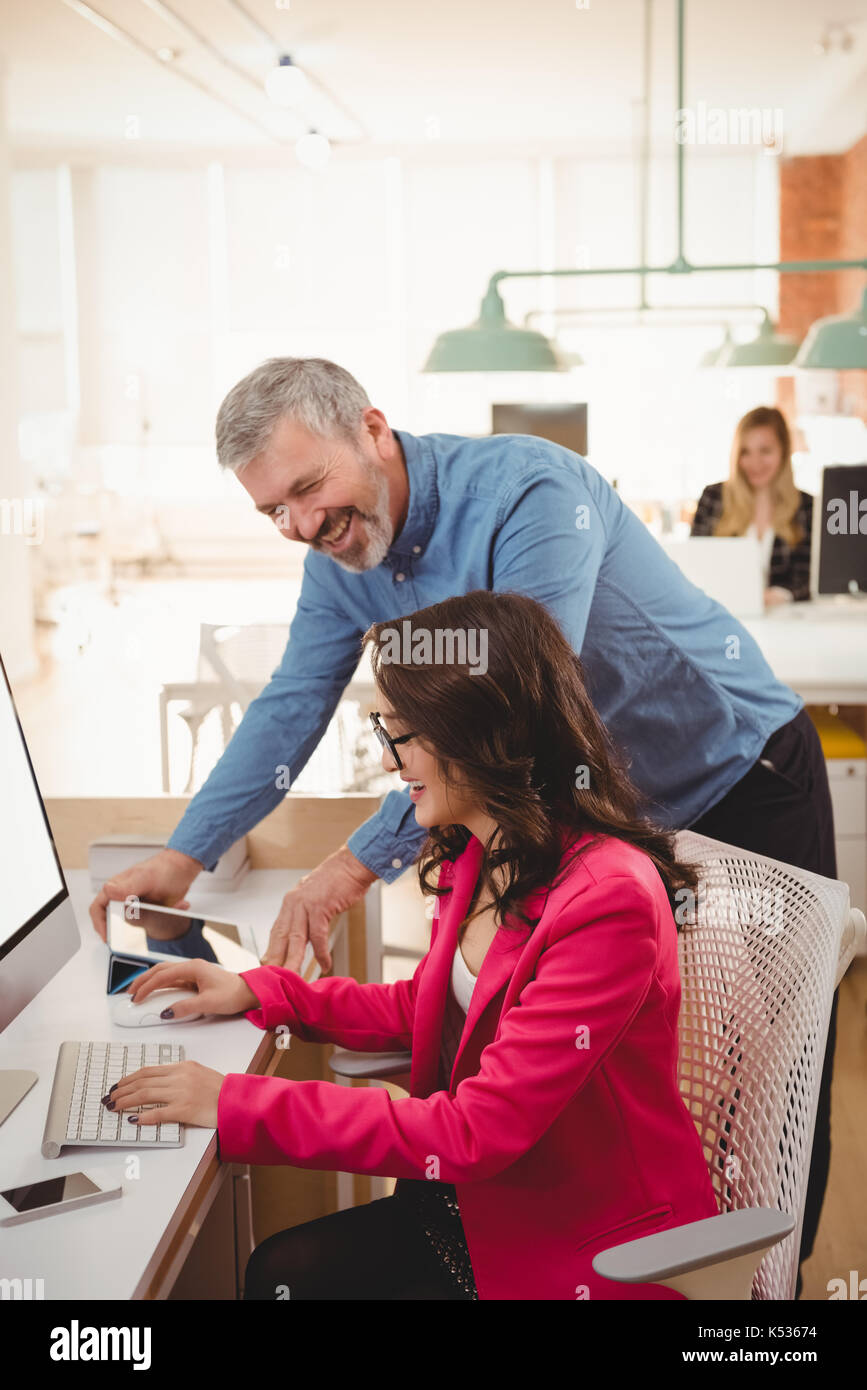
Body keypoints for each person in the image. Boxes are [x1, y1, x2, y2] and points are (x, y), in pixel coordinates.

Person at [87, 356, 836, 1292]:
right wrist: (184, 855)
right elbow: (290, 707)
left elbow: (516, 711)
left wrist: (351, 868)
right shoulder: (348, 569)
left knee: (765, 1095)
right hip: (581, 819)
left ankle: (759, 1303)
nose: (301, 527)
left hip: (731, 770)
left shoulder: (529, 494)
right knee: (597, 1059)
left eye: (310, 488)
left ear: (370, 427)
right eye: (273, 512)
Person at [101, 591, 719, 1301]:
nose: (392, 764)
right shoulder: (483, 853)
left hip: (583, 1241)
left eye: (405, 735)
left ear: (481, 732)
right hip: (476, 1199)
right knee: (281, 1272)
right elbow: (427, 1006)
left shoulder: (607, 901)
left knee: (286, 1278)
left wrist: (237, 1102)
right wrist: (265, 991)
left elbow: (477, 1129)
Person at [691, 405, 813, 605]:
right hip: (724, 618)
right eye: (745, 452)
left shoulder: (806, 506)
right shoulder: (713, 498)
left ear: (783, 451)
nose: (754, 462)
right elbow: (695, 567)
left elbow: (811, 575)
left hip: (787, 623)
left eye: (765, 451)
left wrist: (778, 595)